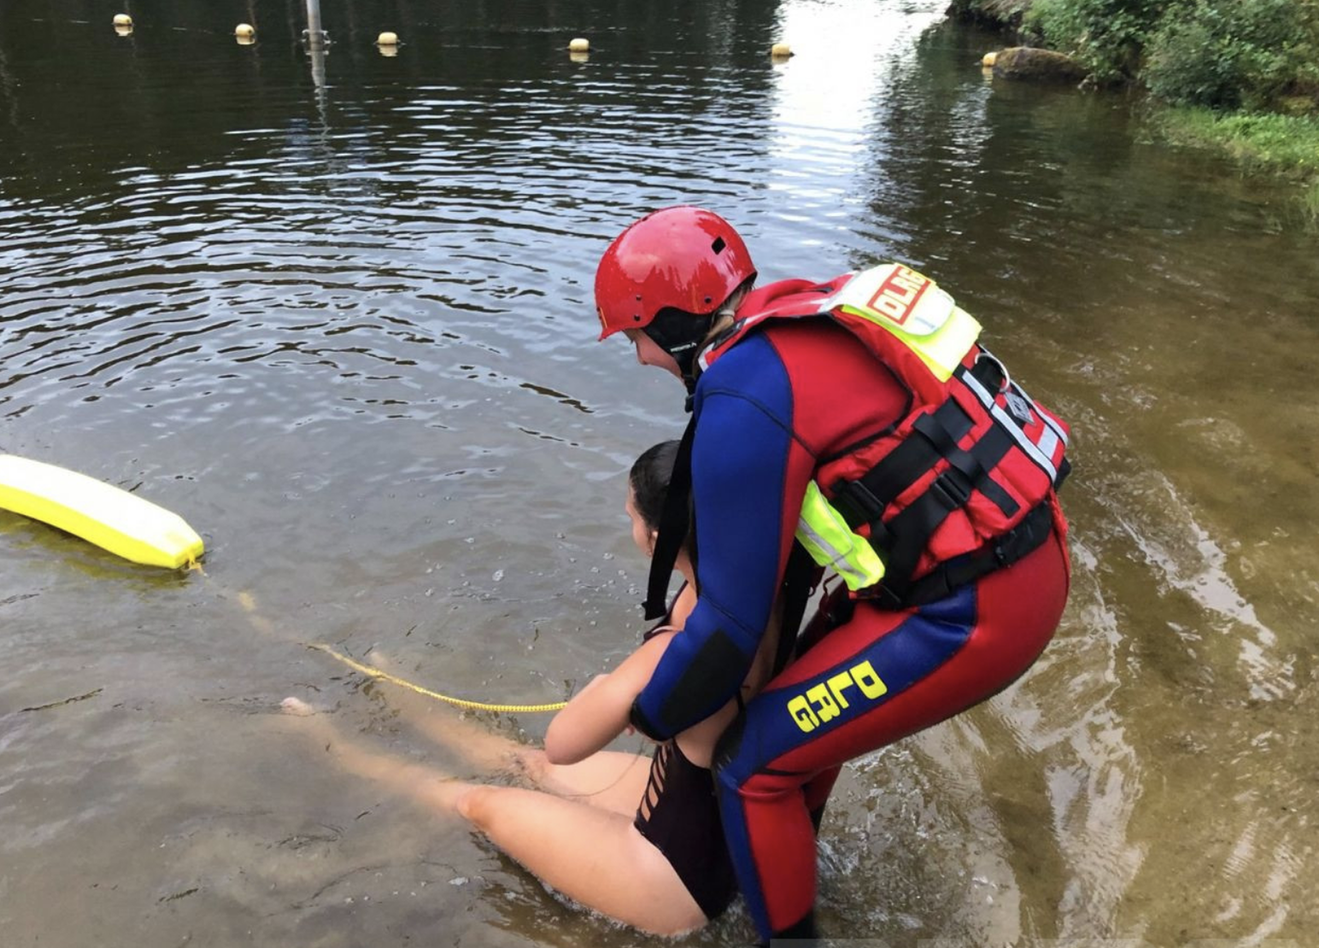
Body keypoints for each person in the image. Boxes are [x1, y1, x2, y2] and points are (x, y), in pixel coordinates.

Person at [592, 205, 1073, 942]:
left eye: (635, 337)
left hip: (976, 610)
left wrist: (651, 711)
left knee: (751, 765)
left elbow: (729, 625)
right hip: (1022, 554)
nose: (639, 359)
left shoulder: (742, 396)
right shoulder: (801, 315)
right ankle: (780, 867)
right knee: (789, 729)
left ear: (673, 325)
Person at [281, 440, 786, 936]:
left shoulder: (679, 650)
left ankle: (331, 741)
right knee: (525, 763)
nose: (629, 526)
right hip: (721, 823)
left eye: (630, 516)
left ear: (656, 538)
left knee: (476, 802)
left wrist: (603, 690)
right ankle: (404, 701)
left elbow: (563, 744)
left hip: (675, 877)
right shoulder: (762, 592)